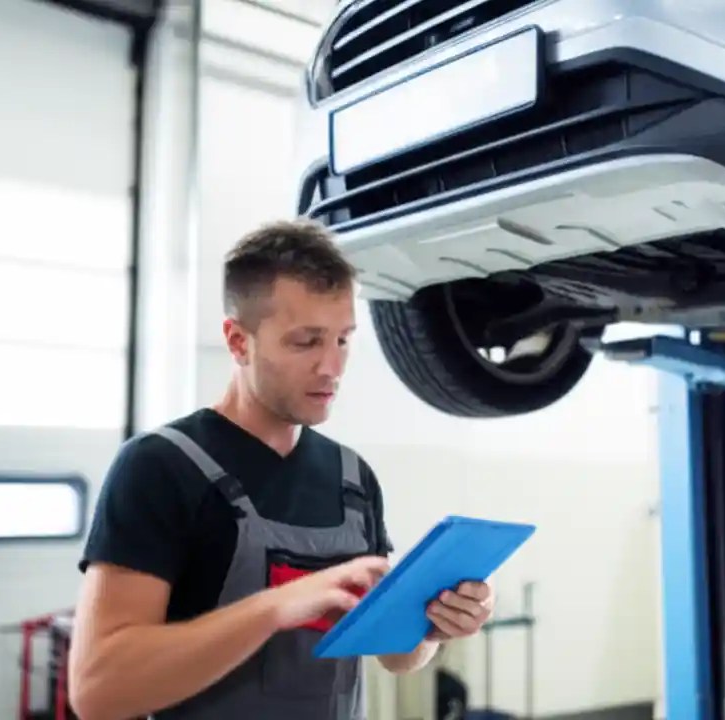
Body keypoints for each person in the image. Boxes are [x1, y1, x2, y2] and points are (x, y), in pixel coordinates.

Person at [67, 219, 495, 720]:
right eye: (306, 342)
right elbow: (98, 689)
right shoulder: (159, 467)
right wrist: (275, 608)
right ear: (237, 341)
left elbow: (398, 657)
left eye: (342, 340)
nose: (332, 367)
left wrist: (434, 624)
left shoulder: (354, 479)